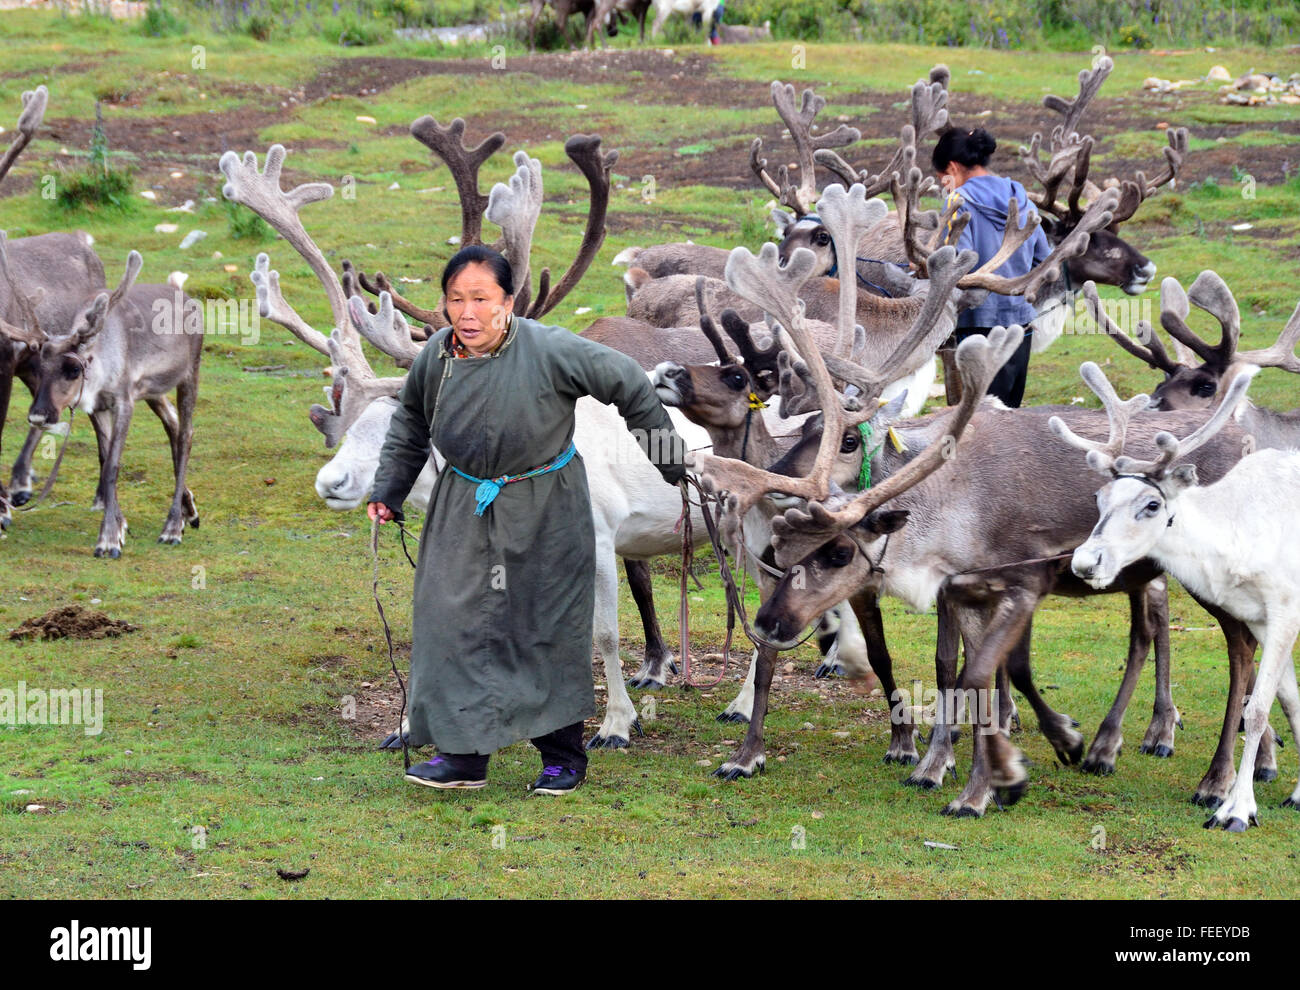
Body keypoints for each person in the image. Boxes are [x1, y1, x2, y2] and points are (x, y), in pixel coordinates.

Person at [367, 246, 687, 796]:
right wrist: (389, 489)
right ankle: (463, 755)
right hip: (462, 505)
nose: (467, 313)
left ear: (508, 302)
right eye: (455, 300)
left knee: (546, 624)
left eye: (481, 299)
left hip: (545, 505)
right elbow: (410, 423)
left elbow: (629, 382)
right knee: (453, 621)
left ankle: (563, 758)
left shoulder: (549, 348)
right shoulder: (436, 358)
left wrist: (668, 458)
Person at [932, 127, 1050, 408]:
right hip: (1021, 324)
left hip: (976, 325)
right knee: (1008, 415)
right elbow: (1043, 258)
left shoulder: (957, 202)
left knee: (973, 421)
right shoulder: (1023, 201)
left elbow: (958, 262)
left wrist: (926, 264)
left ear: (952, 167)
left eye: (942, 179)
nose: (944, 186)